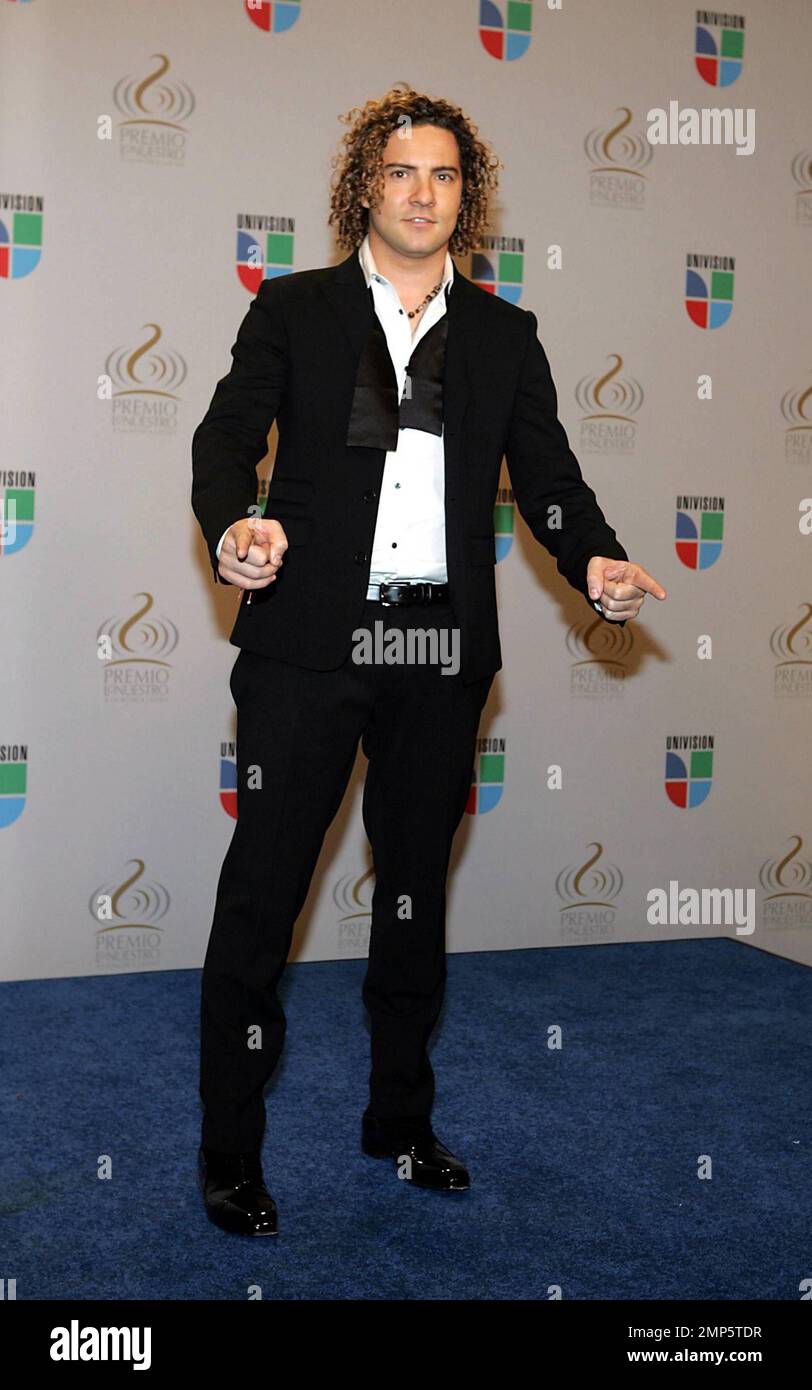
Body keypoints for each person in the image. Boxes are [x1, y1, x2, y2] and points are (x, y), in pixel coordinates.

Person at [190, 83, 666, 1237]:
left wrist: (595, 561)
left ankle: (399, 1123)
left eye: (444, 175)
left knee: (411, 901)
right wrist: (233, 526)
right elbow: (222, 437)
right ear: (365, 184)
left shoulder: (505, 336)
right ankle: (229, 1152)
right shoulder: (294, 310)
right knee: (263, 898)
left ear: (468, 195)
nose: (422, 192)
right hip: (308, 644)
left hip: (435, 648)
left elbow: (548, 483)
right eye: (400, 170)